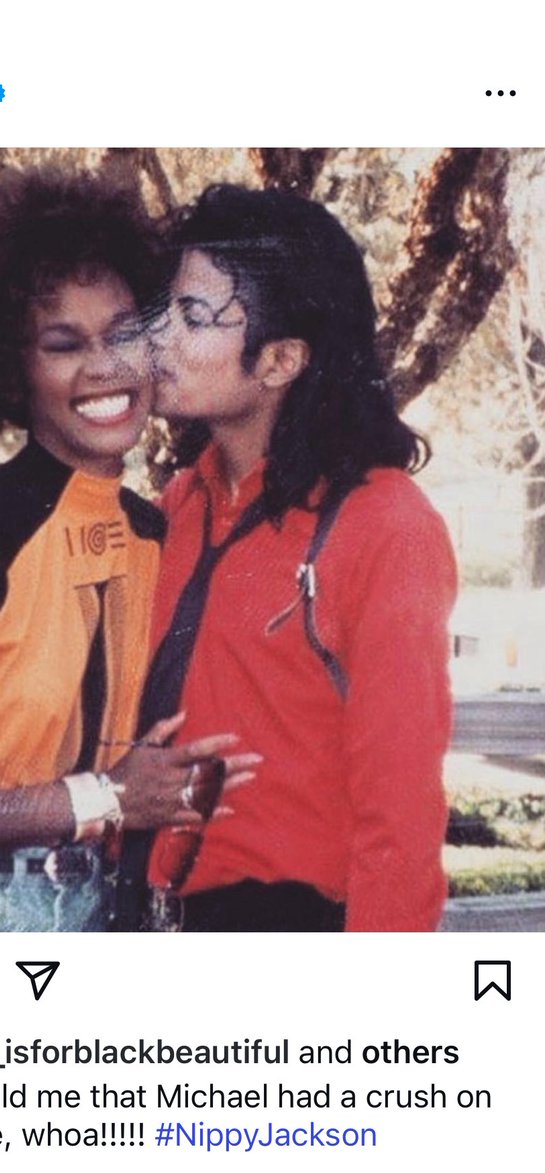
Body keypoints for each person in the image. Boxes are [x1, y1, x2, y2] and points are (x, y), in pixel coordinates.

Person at [0, 168, 252, 933]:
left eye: (124, 333)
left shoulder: (158, 537)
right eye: (63, 345)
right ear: (11, 368)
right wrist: (103, 798)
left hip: (96, 912)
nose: (103, 366)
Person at [118, 184, 457, 933]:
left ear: (279, 360)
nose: (158, 336)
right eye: (163, 307)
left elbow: (400, 818)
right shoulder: (181, 506)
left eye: (193, 316)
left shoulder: (383, 527)